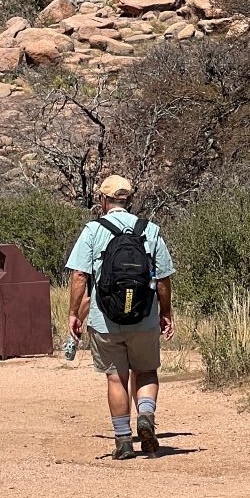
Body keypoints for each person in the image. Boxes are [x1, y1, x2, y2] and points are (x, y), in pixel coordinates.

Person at [65, 174, 175, 460]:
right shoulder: (150, 230)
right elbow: (163, 279)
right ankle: (146, 418)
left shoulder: (92, 230)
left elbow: (79, 276)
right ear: (129, 201)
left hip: (106, 320)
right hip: (144, 317)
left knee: (116, 378)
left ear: (103, 201)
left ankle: (124, 441)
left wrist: (74, 313)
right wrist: (166, 312)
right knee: (147, 371)